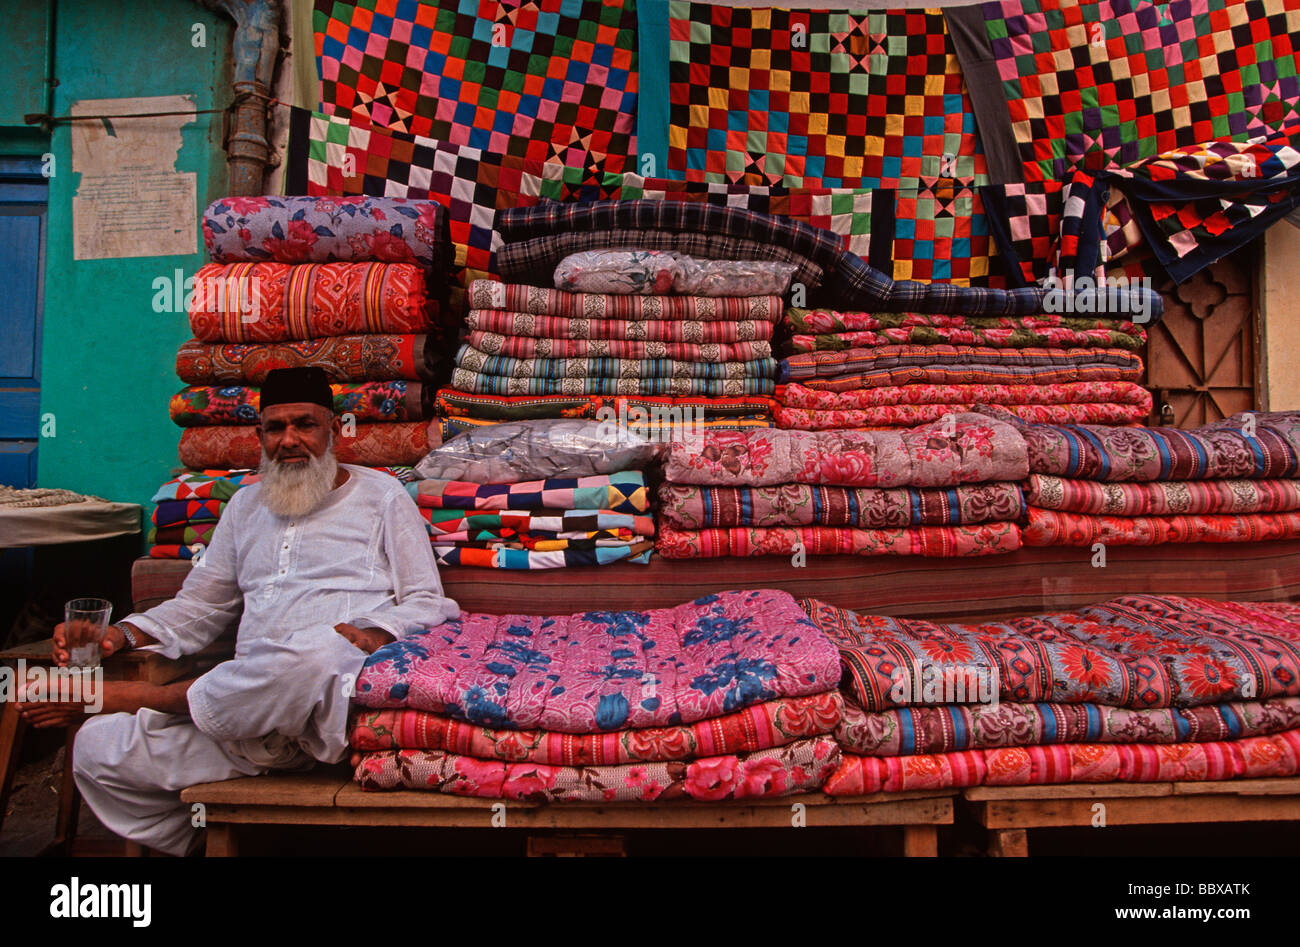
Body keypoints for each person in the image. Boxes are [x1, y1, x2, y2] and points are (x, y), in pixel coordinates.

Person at [17, 367, 458, 855]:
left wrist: (375, 632)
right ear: (259, 436)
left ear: (334, 431)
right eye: (276, 428)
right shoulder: (245, 507)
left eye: (305, 425)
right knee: (96, 748)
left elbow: (426, 600)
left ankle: (126, 694)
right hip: (244, 725)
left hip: (327, 707)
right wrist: (121, 636)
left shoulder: (382, 496)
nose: (289, 440)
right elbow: (200, 604)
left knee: (308, 657)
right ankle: (197, 840)